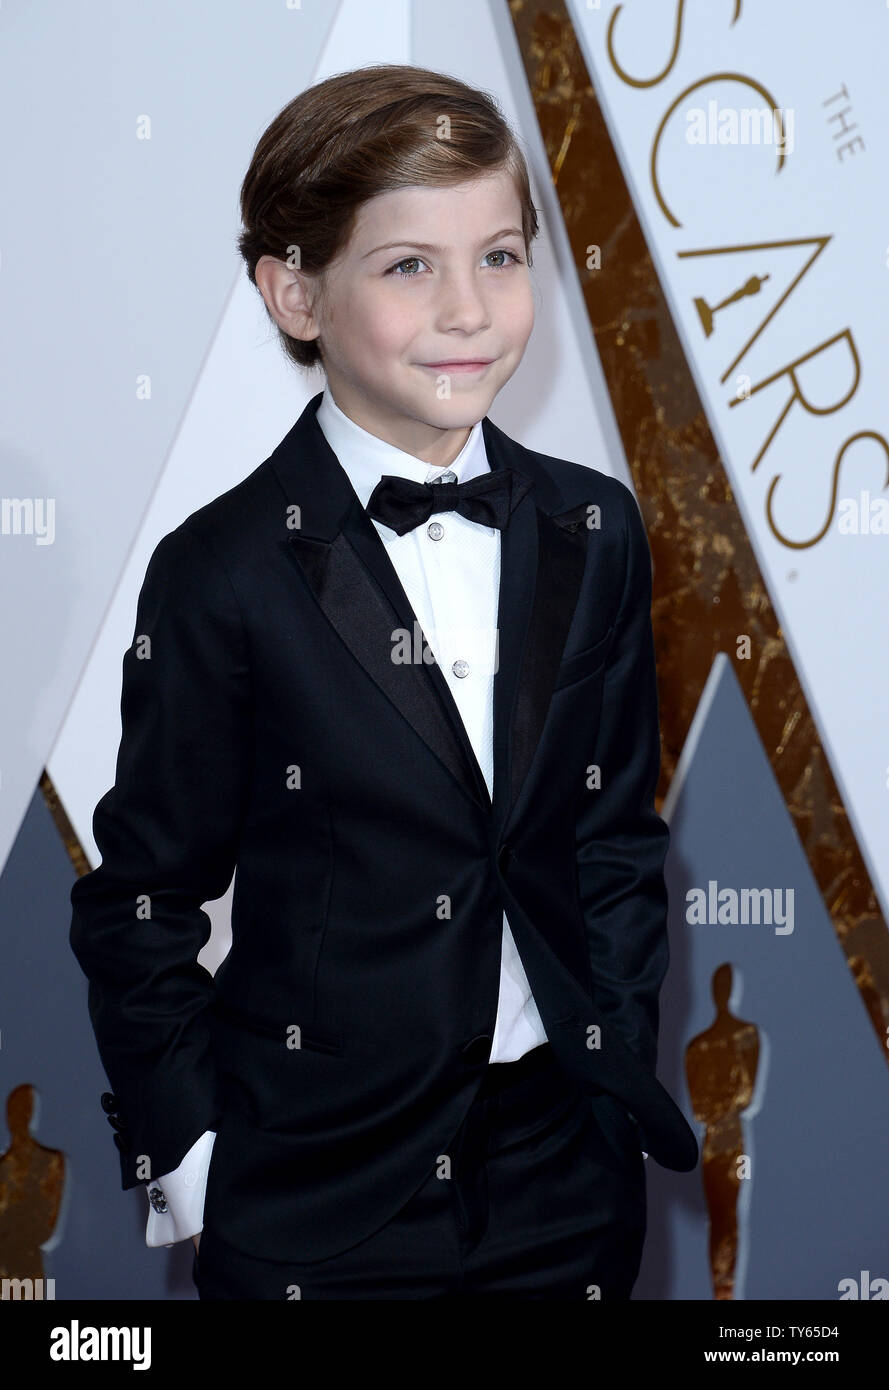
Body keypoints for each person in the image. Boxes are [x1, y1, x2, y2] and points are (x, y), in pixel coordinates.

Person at [69, 62, 697, 1301]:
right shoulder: (223, 569)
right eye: (410, 266)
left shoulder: (595, 528)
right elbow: (141, 905)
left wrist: (611, 1064)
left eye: (502, 256)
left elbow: (612, 837)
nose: (470, 309)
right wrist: (199, 1167)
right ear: (295, 290)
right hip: (320, 1199)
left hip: (566, 1180)